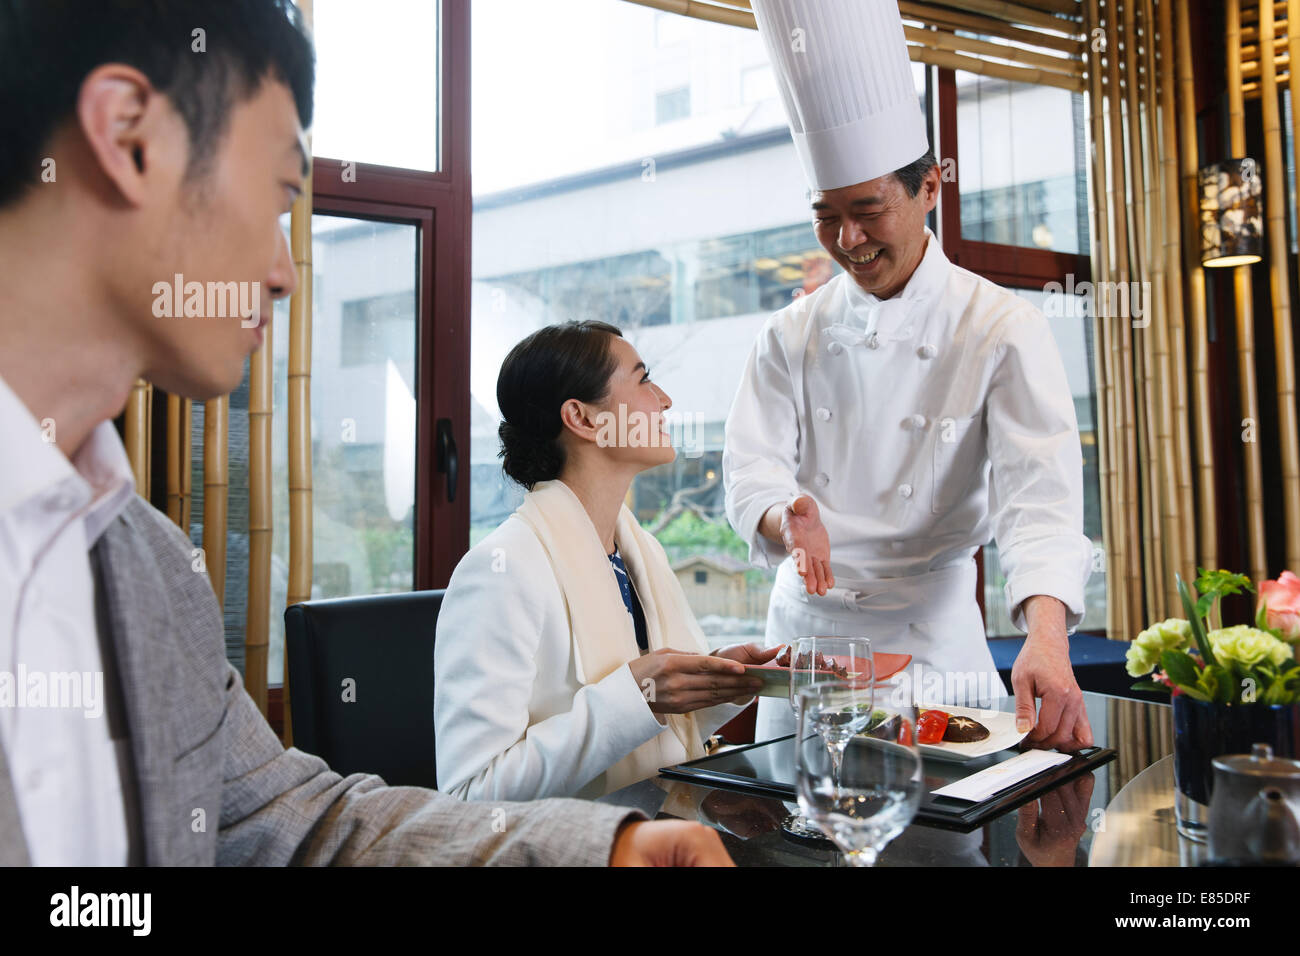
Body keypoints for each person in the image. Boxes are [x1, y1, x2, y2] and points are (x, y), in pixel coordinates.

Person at [0, 0, 731, 866]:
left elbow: (299, 823)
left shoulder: (147, 565)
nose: (283, 273)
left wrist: (607, 850)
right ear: (129, 138)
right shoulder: (502, 568)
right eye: (278, 194)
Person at [725, 0, 1095, 750]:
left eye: (867, 210)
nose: (847, 239)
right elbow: (750, 469)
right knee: (794, 840)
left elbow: (1040, 499)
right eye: (826, 216)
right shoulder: (788, 333)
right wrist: (783, 518)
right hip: (808, 642)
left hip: (932, 640)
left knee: (937, 841)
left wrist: (1047, 636)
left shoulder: (999, 327)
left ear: (930, 187)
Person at [435, 321, 776, 801]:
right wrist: (636, 694)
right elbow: (470, 796)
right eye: (642, 379)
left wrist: (717, 680)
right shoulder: (501, 570)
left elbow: (653, 723)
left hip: (658, 830)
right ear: (583, 418)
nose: (664, 400)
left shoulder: (640, 551)